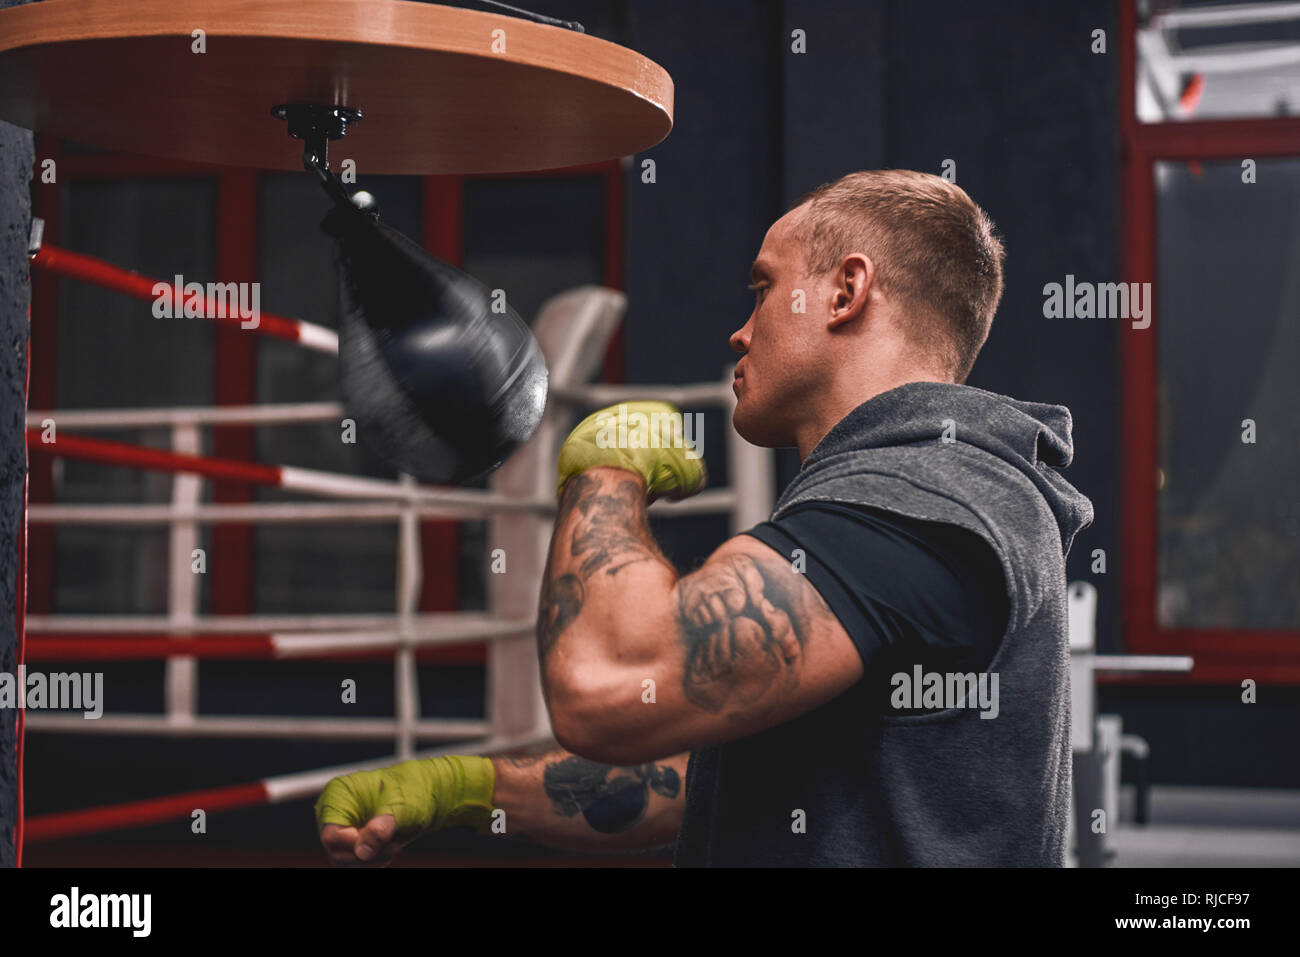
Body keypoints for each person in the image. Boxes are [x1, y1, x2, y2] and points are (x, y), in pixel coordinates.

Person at [315, 169, 1094, 867]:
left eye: (762, 288)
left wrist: (606, 464)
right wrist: (467, 786)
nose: (740, 329)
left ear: (845, 291)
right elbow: (723, 777)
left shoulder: (929, 493)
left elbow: (607, 681)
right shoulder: (913, 489)